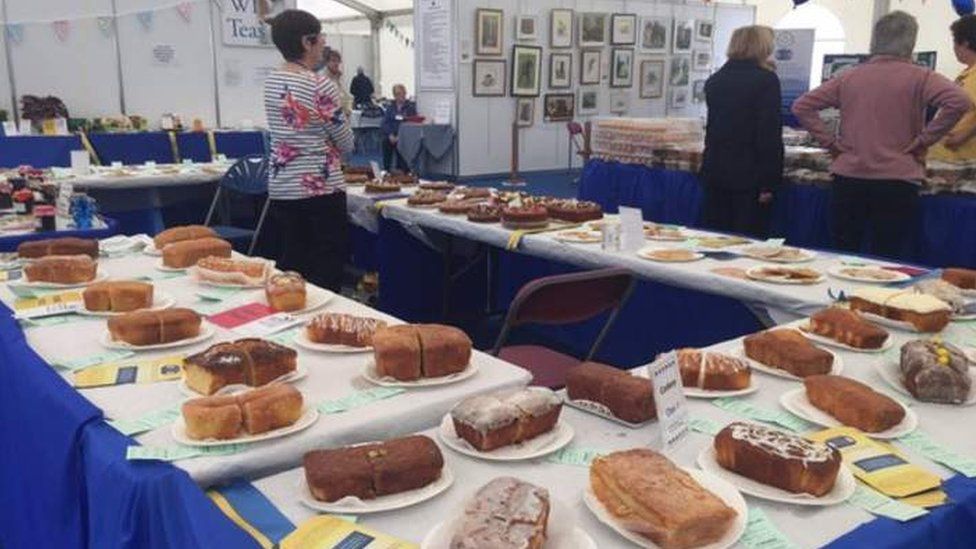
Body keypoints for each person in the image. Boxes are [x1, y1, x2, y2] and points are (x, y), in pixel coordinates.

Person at [793, 11, 971, 259]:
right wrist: (924, 140)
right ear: (911, 42)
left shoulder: (849, 76)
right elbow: (959, 101)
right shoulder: (922, 77)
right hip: (897, 179)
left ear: (875, 40)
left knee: (842, 254)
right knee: (887, 257)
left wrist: (830, 143)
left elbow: (801, 106)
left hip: (849, 176)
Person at [263, 9, 354, 292]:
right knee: (325, 269)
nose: (324, 42)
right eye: (320, 37)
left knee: (292, 263)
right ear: (306, 42)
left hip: (282, 185)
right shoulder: (319, 84)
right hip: (319, 188)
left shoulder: (272, 80)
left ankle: (288, 312)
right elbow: (346, 142)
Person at [699, 25, 783, 238]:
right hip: (750, 174)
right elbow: (768, 135)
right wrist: (769, 182)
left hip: (716, 168)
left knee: (716, 237)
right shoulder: (765, 80)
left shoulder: (715, 80)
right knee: (748, 240)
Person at [929, 15, 976, 161]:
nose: (954, 48)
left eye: (955, 42)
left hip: (963, 161)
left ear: (965, 43)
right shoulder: (966, 73)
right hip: (946, 158)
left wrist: (963, 135)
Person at [381, 84, 417, 172]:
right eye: (397, 94)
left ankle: (402, 170)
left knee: (402, 144)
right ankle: (387, 170)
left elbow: (411, 123)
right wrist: (390, 135)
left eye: (402, 93)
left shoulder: (410, 108)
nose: (400, 96)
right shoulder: (390, 107)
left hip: (404, 135)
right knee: (385, 142)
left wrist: (399, 136)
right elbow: (385, 123)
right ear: (394, 95)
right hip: (392, 134)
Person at [324, 48, 353, 115]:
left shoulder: (339, 78)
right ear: (327, 62)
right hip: (332, 116)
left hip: (344, 116)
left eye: (338, 61)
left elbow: (346, 97)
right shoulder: (324, 79)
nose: (336, 64)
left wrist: (349, 108)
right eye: (333, 61)